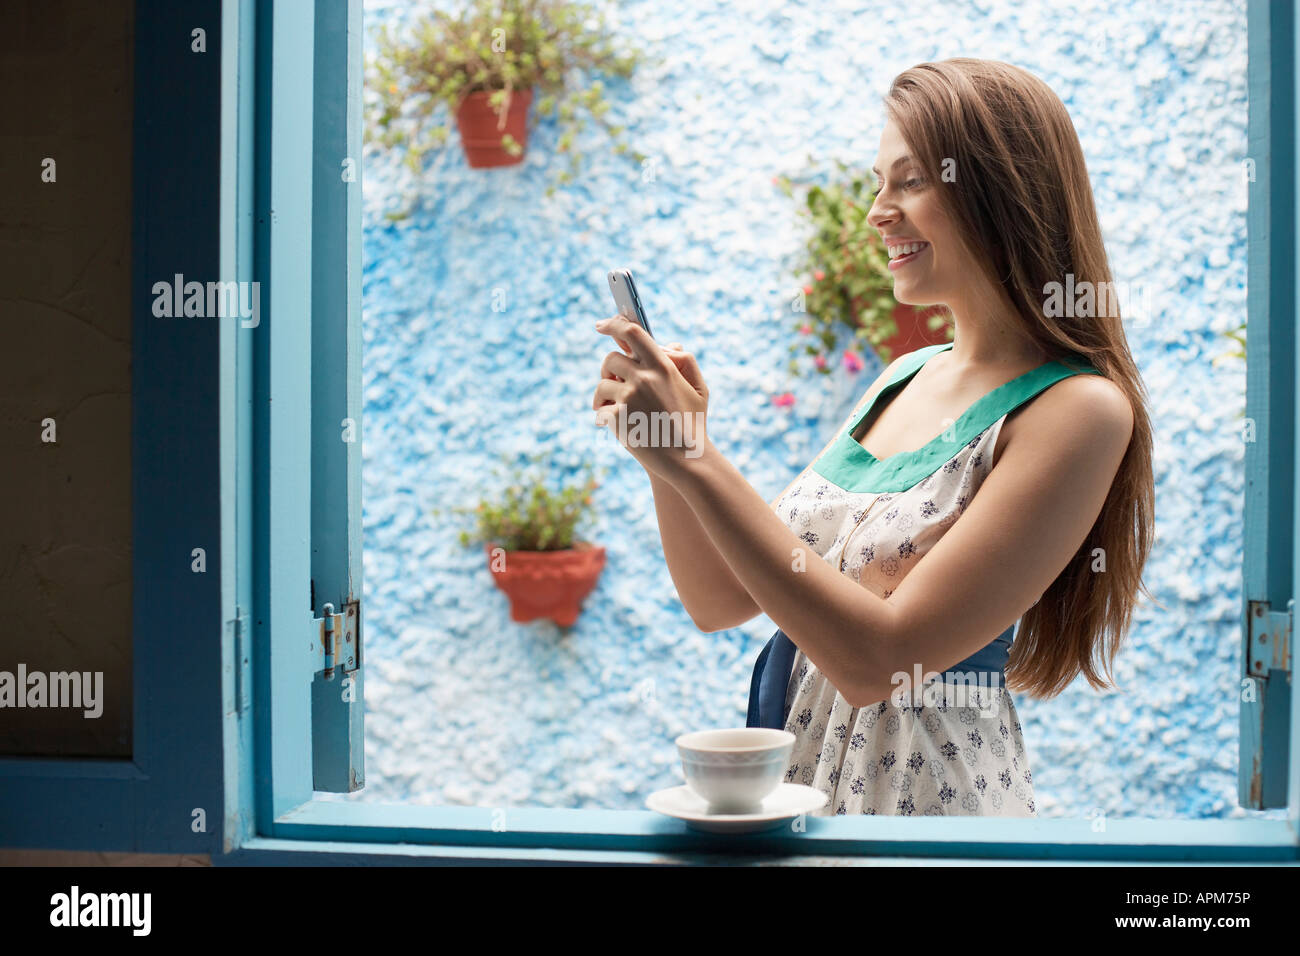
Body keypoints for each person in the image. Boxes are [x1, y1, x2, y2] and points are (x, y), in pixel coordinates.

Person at [591, 58, 1154, 817]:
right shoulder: (905, 377)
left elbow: (882, 660)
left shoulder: (1079, 410)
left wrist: (697, 458)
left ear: (999, 191)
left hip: (927, 812)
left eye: (911, 180)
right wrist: (666, 456)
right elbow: (718, 598)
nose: (876, 212)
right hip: (813, 801)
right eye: (880, 182)